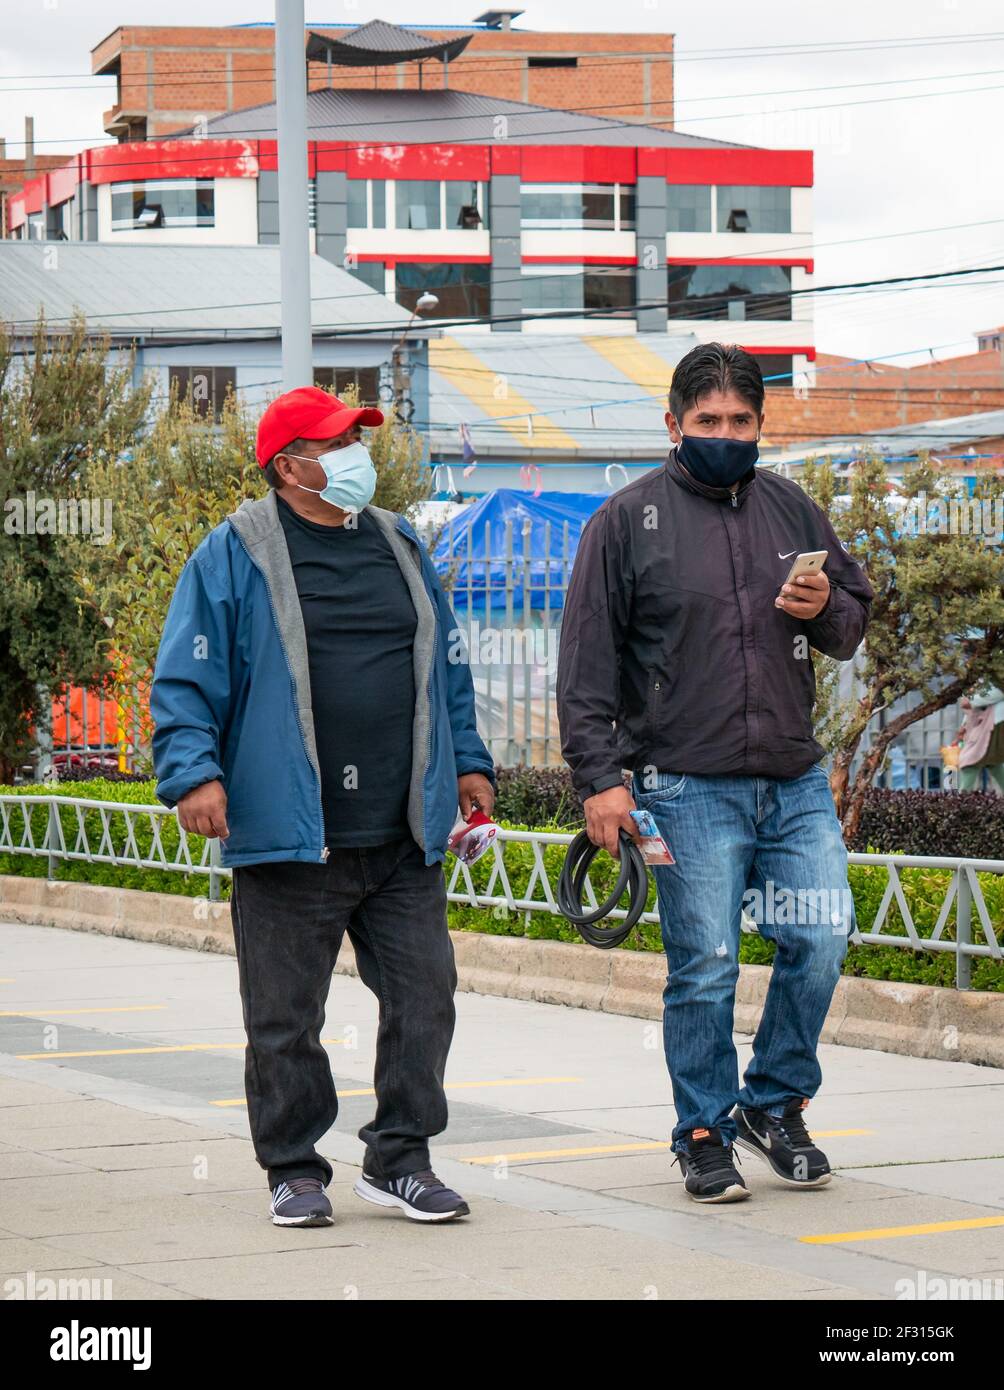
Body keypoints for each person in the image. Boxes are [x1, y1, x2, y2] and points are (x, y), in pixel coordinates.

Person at [150, 387, 495, 1227]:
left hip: (400, 832)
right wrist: (193, 773)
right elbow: (185, 678)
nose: (355, 457)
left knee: (427, 997)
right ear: (288, 466)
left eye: (357, 440)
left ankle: (399, 1158)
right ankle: (294, 1166)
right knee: (284, 1018)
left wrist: (471, 765)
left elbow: (443, 669)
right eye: (337, 443)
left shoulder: (398, 543)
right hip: (288, 835)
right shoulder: (233, 554)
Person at [556, 343, 874, 1204]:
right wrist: (601, 780)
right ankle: (702, 1129)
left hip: (793, 780)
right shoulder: (624, 522)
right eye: (708, 422)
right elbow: (584, 666)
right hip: (683, 786)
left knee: (822, 935)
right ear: (673, 425)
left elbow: (850, 622)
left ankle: (773, 1104)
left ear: (761, 427)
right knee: (705, 965)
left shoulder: (792, 510)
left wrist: (828, 608)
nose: (726, 435)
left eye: (741, 422)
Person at [956, 685, 1004, 792]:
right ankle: (962, 799)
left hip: (995, 722)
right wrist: (964, 725)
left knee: (971, 759)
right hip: (983, 723)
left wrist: (972, 701)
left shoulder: (995, 673)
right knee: (993, 762)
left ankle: (962, 798)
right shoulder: (979, 677)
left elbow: (1000, 691)